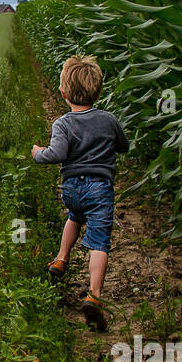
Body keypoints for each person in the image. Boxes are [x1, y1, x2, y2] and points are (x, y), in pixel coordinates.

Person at [31, 55, 129, 312]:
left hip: (72, 190)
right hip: (100, 189)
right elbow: (124, 146)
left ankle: (61, 259)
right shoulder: (109, 120)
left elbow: (57, 154)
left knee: (74, 217)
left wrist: (37, 153)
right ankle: (94, 295)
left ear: (63, 92)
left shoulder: (62, 123)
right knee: (99, 241)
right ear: (97, 91)